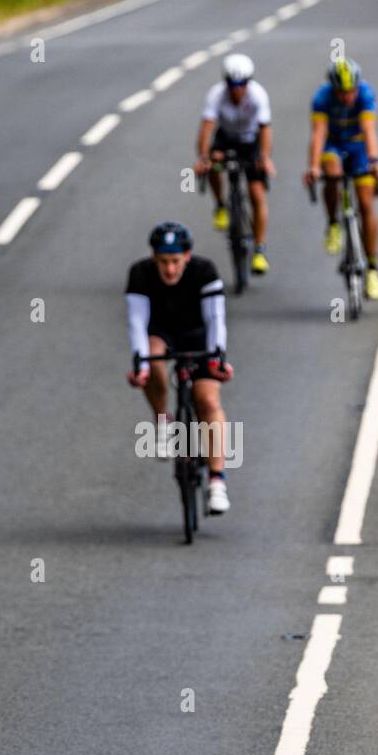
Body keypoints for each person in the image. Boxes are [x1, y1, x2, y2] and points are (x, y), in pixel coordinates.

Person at [126, 222, 234, 514]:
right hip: (161, 332)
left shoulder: (205, 271)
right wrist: (140, 365)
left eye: (175, 262)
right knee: (150, 358)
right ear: (153, 258)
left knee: (207, 400)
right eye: (163, 262)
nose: (169, 270)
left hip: (198, 335)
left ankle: (217, 481)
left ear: (187, 256)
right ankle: (163, 421)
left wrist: (218, 359)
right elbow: (137, 322)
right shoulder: (140, 274)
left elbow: (215, 320)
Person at [305, 57, 378, 301]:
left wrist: (375, 160)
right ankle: (332, 224)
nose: (346, 97)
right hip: (333, 145)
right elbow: (318, 134)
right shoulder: (322, 98)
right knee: (331, 172)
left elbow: (369, 130)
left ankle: (372, 268)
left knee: (366, 204)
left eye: (350, 91)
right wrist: (313, 167)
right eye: (341, 92)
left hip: (358, 147)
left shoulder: (365, 95)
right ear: (333, 89)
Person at [195, 54, 275, 276]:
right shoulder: (216, 95)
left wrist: (265, 158)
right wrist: (203, 158)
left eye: (242, 84)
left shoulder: (258, 95)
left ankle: (259, 250)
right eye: (232, 84)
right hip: (227, 138)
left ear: (248, 82)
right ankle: (221, 204)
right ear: (226, 82)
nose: (237, 89)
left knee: (257, 193)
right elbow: (206, 128)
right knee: (212, 164)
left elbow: (265, 130)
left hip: (251, 142)